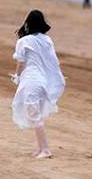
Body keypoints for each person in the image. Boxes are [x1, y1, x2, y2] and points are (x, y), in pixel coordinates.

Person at [11, 10, 65, 159]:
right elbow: (52, 62)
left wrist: (16, 76)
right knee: (36, 116)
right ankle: (41, 148)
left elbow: (21, 63)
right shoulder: (47, 40)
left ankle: (45, 150)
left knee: (35, 116)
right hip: (43, 82)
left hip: (31, 81)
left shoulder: (23, 41)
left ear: (28, 23)